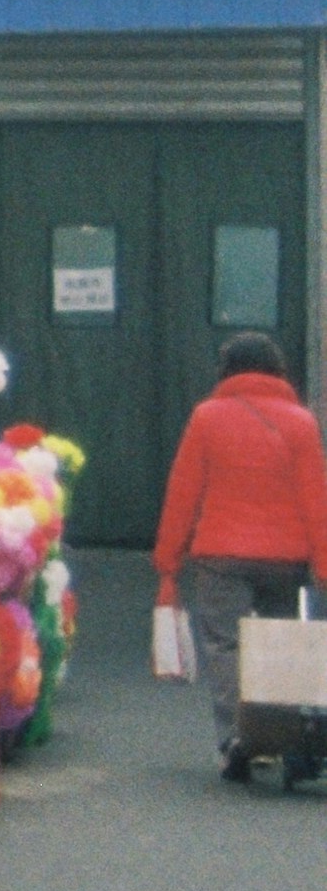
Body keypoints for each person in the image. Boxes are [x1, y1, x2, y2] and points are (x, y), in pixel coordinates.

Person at [153, 327, 327, 789]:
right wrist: (324, 565)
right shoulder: (301, 422)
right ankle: (287, 738)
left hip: (220, 552)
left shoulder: (207, 417)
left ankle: (236, 738)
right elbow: (317, 499)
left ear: (226, 371)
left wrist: (168, 562)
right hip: (284, 558)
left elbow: (183, 492)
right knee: (281, 646)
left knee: (226, 645)